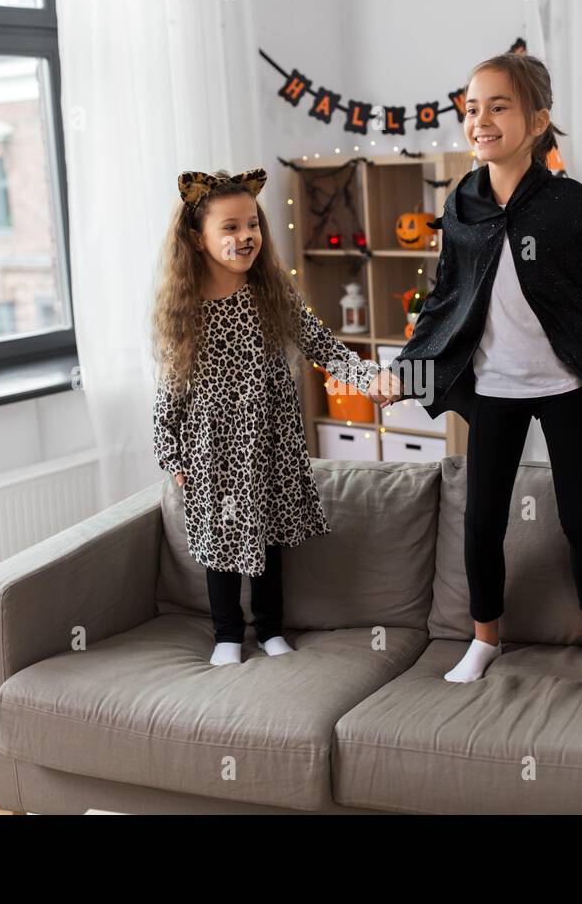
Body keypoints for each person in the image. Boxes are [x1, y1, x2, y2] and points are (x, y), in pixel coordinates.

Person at [378, 52, 582, 688]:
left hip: (567, 388)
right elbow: (446, 299)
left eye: (499, 106)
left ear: (538, 119)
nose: (481, 120)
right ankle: (484, 638)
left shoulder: (570, 202)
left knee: (581, 515)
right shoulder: (461, 202)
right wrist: (408, 371)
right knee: (482, 519)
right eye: (472, 108)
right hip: (492, 388)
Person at [151, 166, 401, 666]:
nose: (246, 237)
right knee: (220, 540)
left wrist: (365, 376)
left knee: (269, 538)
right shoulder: (184, 308)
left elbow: (321, 343)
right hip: (212, 447)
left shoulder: (272, 292)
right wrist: (171, 451)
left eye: (252, 225)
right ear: (197, 239)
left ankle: (269, 629)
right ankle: (226, 633)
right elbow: (169, 389)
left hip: (270, 441)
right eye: (230, 227)